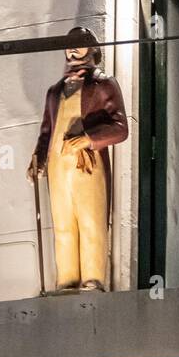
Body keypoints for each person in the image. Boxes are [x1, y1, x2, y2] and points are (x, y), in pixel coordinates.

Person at [27, 28, 128, 292]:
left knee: (91, 220)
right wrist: (38, 159)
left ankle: (93, 279)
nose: (73, 49)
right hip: (58, 165)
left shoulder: (103, 84)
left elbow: (120, 128)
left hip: (88, 163)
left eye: (79, 44)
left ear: (92, 49)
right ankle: (67, 279)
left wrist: (88, 139)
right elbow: (46, 131)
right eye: (69, 44)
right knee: (63, 223)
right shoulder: (54, 91)